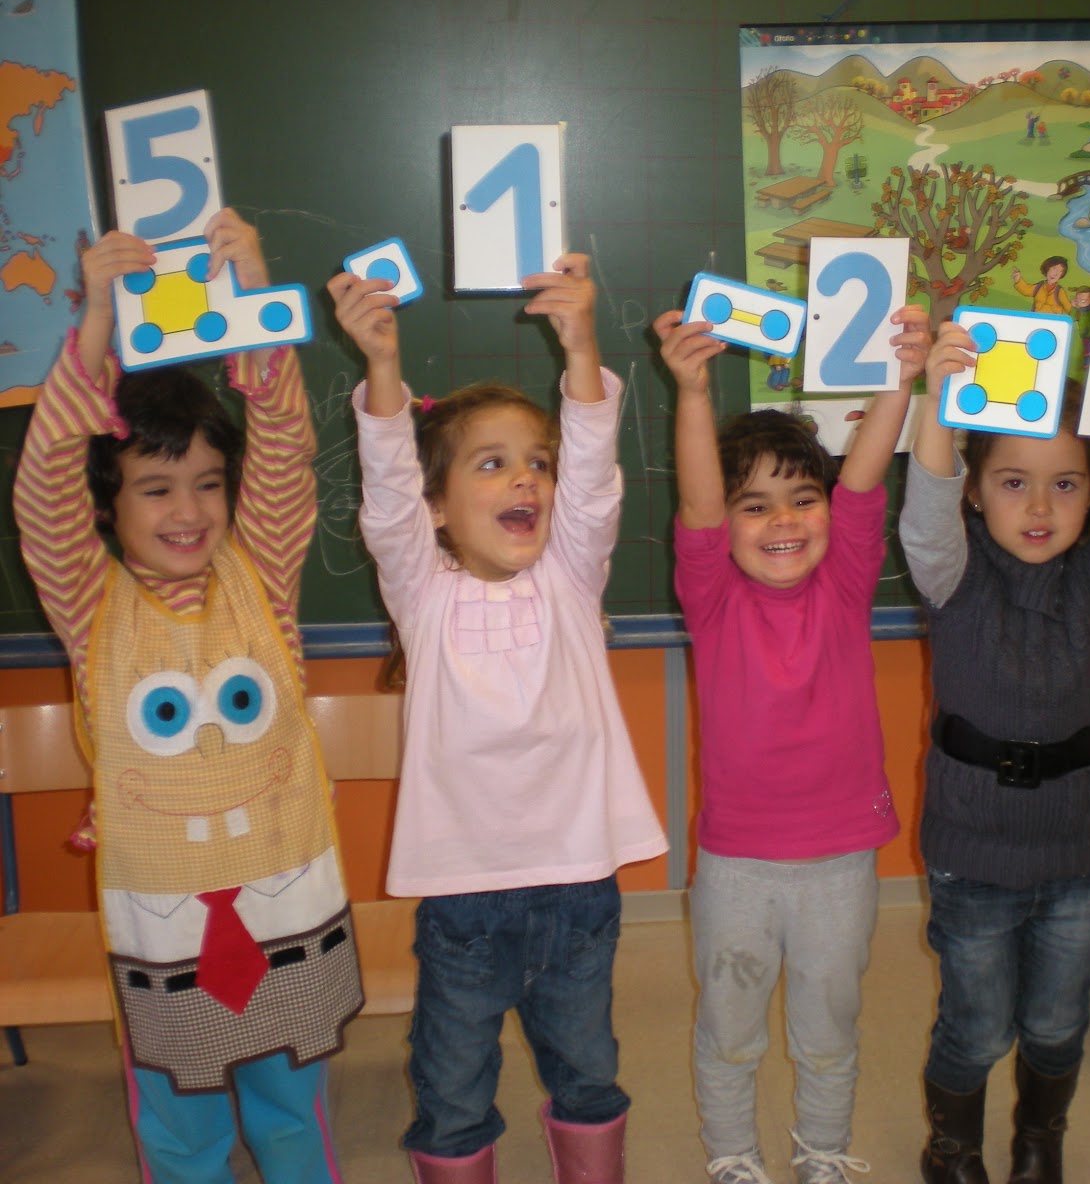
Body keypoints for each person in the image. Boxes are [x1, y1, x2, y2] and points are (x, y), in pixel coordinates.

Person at [15, 212, 361, 1183]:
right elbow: (41, 487)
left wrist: (251, 305)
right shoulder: (92, 610)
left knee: (293, 1113)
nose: (189, 511)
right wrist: (91, 326)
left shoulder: (264, 579)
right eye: (157, 488)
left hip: (286, 898)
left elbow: (284, 448)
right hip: (164, 928)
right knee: (182, 1122)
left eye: (208, 484)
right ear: (110, 505)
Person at [327, 254, 667, 1184]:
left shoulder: (567, 575)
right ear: (439, 510)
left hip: (576, 884)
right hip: (465, 897)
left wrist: (584, 347)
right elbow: (388, 495)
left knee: (588, 1071)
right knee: (452, 1085)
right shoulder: (423, 594)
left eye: (536, 463)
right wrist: (384, 368)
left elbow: (595, 484)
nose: (527, 481)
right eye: (492, 464)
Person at [902, 330, 1090, 1184]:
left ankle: (1042, 1141)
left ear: (1089, 493)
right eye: (1013, 483)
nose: (1040, 507)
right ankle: (952, 1145)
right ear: (975, 492)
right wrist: (936, 400)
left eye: (1066, 484)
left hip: (1074, 856)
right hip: (972, 856)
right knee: (974, 1026)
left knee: (1054, 1024)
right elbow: (923, 508)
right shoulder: (951, 577)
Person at [653, 304, 931, 1184]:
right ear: (725, 526)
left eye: (802, 498)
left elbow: (866, 481)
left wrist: (899, 380)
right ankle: (734, 1156)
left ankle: (820, 1153)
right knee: (729, 1030)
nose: (785, 520)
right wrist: (692, 387)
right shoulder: (714, 595)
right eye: (756, 505)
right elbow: (697, 498)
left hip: (842, 860)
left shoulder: (847, 579)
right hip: (737, 864)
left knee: (829, 1028)